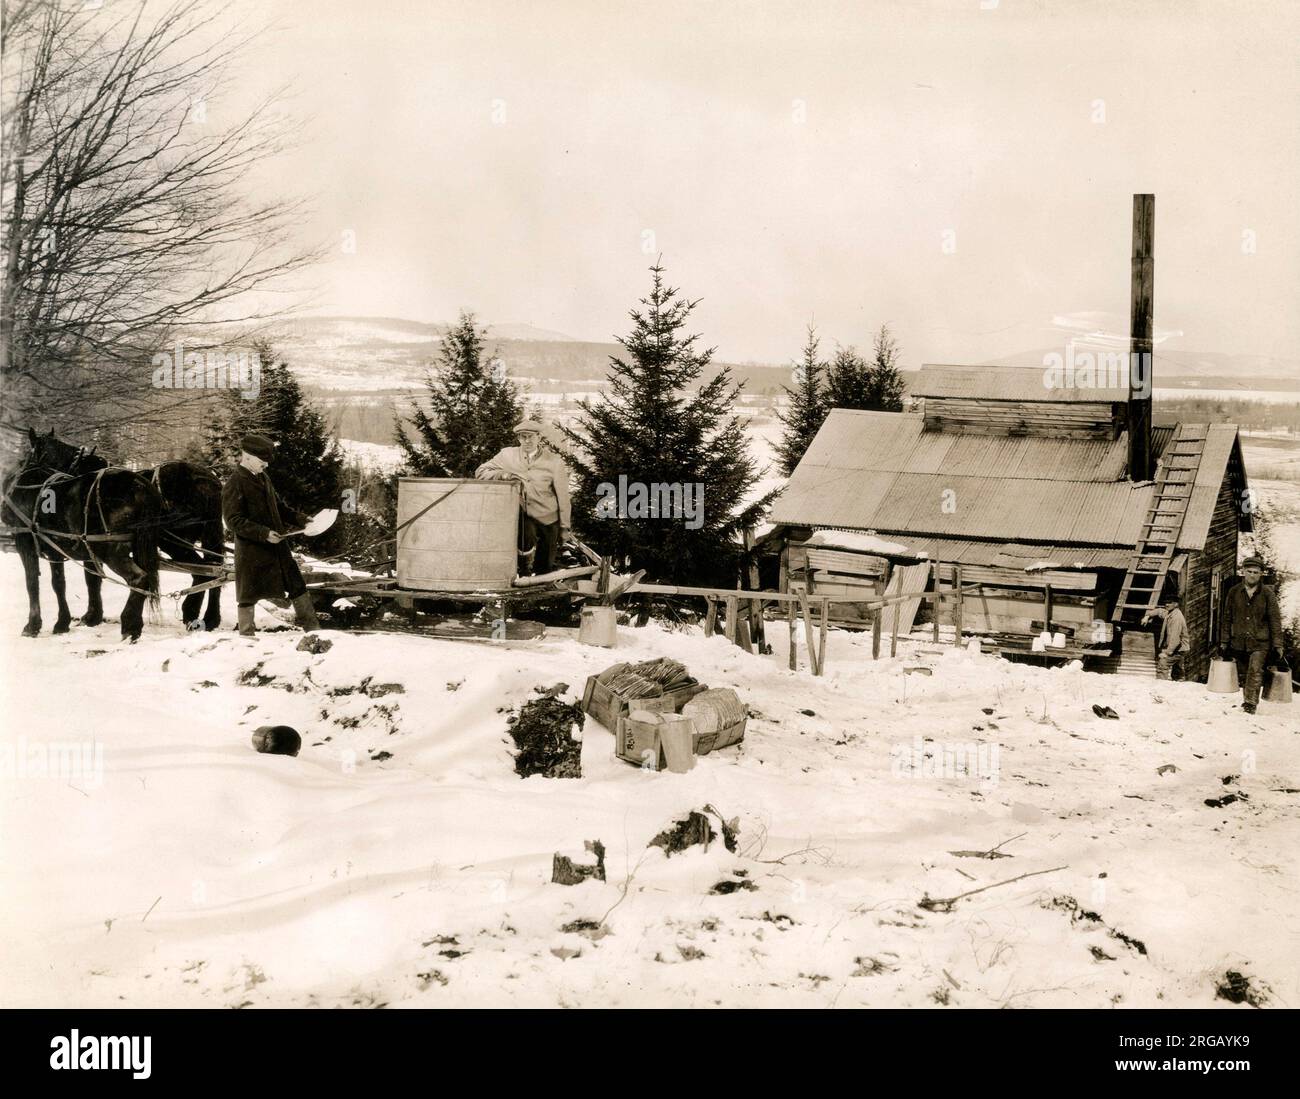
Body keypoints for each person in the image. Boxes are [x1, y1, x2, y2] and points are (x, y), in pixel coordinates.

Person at [221, 433, 321, 637]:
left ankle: (314, 631)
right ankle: (246, 635)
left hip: (278, 547)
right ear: (247, 456)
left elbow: (280, 508)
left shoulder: (263, 478)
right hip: (253, 551)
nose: (265, 465)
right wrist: (263, 533)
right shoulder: (235, 482)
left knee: (296, 584)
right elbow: (233, 520)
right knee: (248, 594)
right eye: (262, 460)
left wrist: (302, 519)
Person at [475, 419, 572, 575]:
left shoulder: (554, 461)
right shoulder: (507, 455)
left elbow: (563, 497)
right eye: (523, 437)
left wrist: (564, 527)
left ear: (539, 437)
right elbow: (480, 472)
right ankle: (523, 573)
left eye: (531, 437)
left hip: (548, 517)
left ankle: (542, 591)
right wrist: (504, 475)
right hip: (522, 513)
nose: (527, 441)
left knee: (545, 566)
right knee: (525, 538)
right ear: (518, 438)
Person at [1217, 555, 1283, 714]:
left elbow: (1275, 620)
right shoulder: (1234, 592)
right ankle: (1247, 699)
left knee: (1255, 670)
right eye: (1249, 571)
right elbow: (1227, 617)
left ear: (1261, 574)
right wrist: (1224, 641)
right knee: (1244, 672)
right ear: (1243, 572)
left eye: (1256, 572)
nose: (1252, 575)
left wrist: (1278, 644)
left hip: (1260, 642)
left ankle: (1250, 704)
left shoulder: (1267, 594)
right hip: (1239, 641)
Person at [1144, 593, 1189, 681]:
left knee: (1162, 664)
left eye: (1169, 603)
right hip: (1181, 649)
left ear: (1176, 604)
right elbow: (1159, 611)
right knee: (1177, 672)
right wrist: (1147, 616)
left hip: (1177, 649)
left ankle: (1161, 687)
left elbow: (1175, 639)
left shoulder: (1176, 618)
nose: (1166, 604)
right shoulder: (1170, 613)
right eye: (1166, 602)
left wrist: (1167, 653)